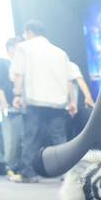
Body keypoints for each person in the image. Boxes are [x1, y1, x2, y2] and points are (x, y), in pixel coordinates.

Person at [11, 20, 74, 171]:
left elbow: (18, 74)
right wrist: (72, 101)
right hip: (58, 102)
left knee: (31, 137)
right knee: (59, 138)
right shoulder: (60, 52)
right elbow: (69, 79)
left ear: (29, 32)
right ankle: (66, 172)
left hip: (35, 100)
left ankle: (29, 172)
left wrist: (17, 94)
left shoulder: (24, 48)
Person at [0, 37, 28, 182]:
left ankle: (22, 167)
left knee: (24, 140)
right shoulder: (1, 63)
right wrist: (4, 103)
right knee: (12, 139)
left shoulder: (24, 65)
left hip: (26, 108)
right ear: (11, 49)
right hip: (11, 108)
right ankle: (11, 167)